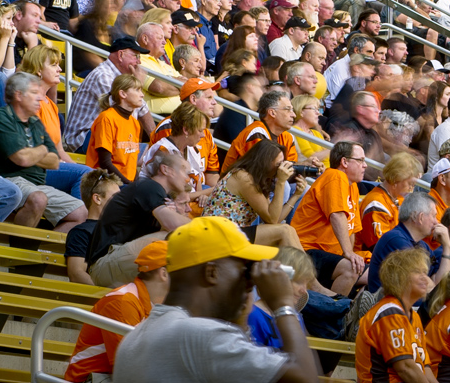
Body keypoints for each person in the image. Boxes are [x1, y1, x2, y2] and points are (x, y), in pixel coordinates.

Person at [109, 217, 316, 383]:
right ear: (212, 273)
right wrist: (284, 306)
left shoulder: (137, 336)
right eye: (243, 269)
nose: (249, 282)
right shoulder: (200, 336)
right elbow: (305, 379)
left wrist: (240, 318)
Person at [0, 71, 90, 230]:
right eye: (34, 93)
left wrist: (31, 152)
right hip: (9, 179)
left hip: (37, 183)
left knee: (80, 212)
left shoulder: (35, 122)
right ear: (19, 95)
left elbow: (54, 162)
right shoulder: (0, 117)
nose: (40, 98)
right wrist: (42, 150)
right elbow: (21, 159)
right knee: (38, 199)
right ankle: (19, 252)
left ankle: (42, 252)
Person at [64, 238, 170, 382]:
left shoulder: (159, 306)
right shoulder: (123, 302)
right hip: (90, 378)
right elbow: (128, 368)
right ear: (163, 273)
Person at [89, 144, 194, 286]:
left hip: (114, 264)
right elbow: (172, 225)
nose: (189, 178)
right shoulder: (150, 186)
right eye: (184, 171)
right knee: (177, 237)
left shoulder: (160, 197)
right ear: (165, 169)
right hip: (104, 264)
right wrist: (207, 227)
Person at [291, 139, 367, 295]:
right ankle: (331, 313)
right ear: (344, 162)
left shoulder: (352, 186)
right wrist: (348, 253)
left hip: (330, 255)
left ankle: (350, 313)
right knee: (350, 268)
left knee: (382, 275)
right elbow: (337, 216)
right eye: (360, 160)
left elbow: (351, 229)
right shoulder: (335, 176)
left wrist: (349, 253)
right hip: (306, 251)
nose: (365, 165)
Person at [355, 246, 436, 383]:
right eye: (418, 272)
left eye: (425, 272)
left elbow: (424, 367)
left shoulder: (413, 316)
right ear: (399, 277)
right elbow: (405, 368)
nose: (425, 278)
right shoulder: (389, 312)